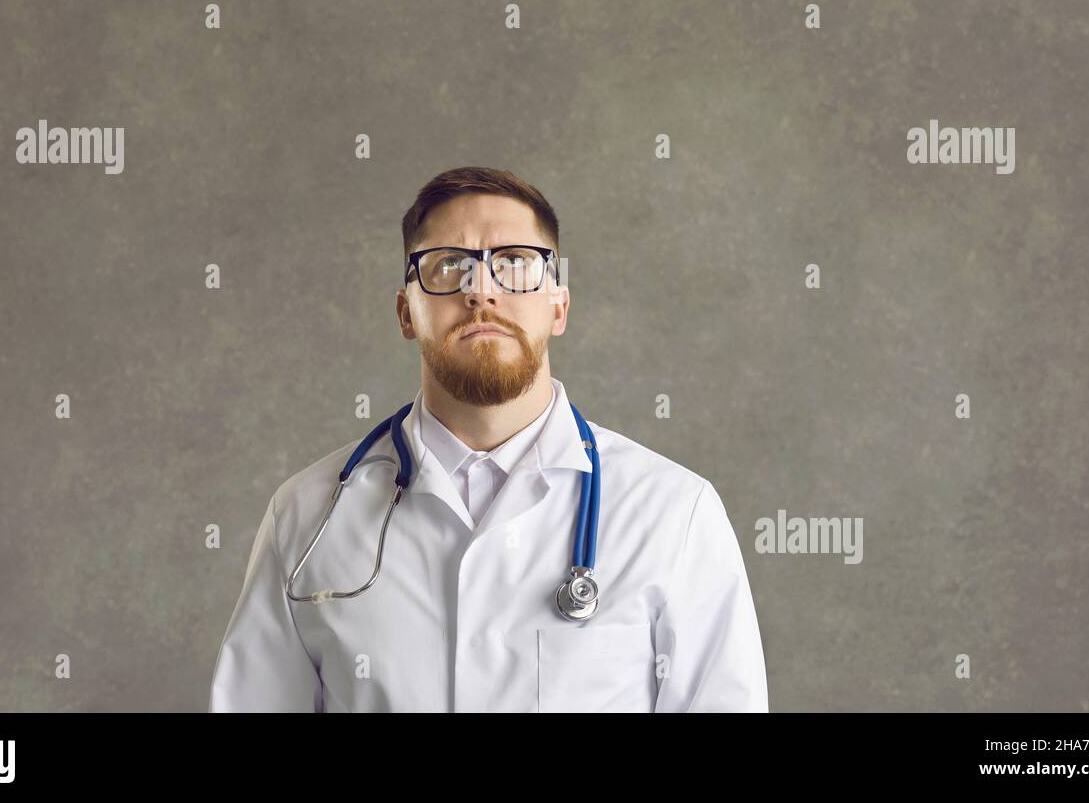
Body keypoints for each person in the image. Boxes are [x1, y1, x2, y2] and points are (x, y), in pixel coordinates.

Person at [209, 167, 768, 712]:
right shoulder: (307, 518)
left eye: (515, 263)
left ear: (559, 306)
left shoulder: (674, 513)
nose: (481, 291)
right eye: (448, 265)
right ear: (406, 312)